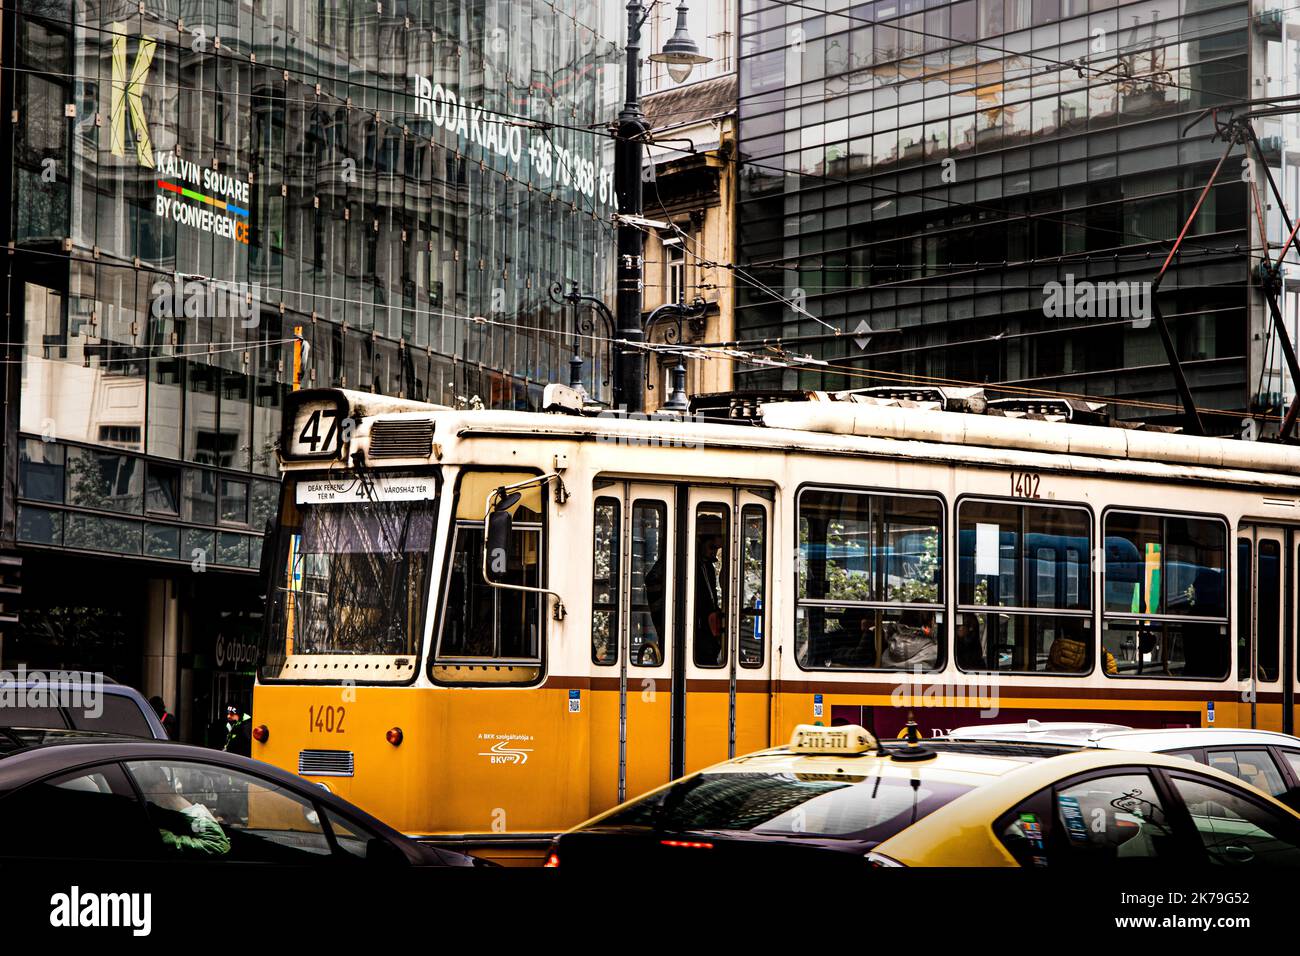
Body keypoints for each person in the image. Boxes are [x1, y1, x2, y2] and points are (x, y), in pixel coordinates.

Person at [131, 762, 230, 858]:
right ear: (154, 791)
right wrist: (173, 799)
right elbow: (217, 845)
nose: (171, 789)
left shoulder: (151, 814)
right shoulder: (146, 826)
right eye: (167, 786)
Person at [694, 533, 725, 666]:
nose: (715, 552)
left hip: (708, 627)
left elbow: (711, 596)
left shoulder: (709, 568)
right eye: (712, 547)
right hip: (699, 627)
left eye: (717, 548)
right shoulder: (692, 567)